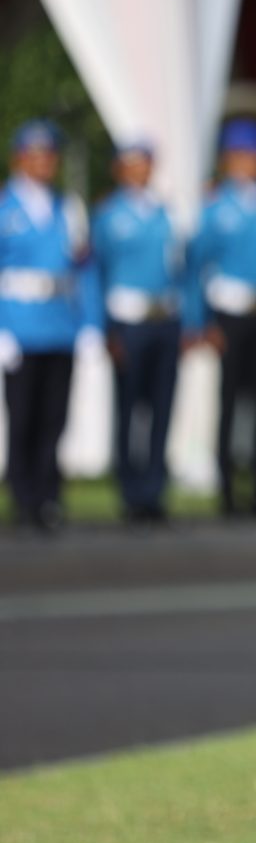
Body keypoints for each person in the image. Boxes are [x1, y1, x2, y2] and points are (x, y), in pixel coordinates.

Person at [185, 118, 256, 517]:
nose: (251, 163)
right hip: (230, 313)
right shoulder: (215, 207)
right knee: (230, 401)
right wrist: (201, 321)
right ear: (229, 160)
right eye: (243, 156)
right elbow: (197, 266)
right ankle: (228, 490)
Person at [0, 119, 102, 533]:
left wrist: (90, 324)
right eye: (36, 155)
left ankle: (48, 497)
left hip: (60, 323)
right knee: (22, 416)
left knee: (54, 418)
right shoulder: (6, 208)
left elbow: (85, 269)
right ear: (20, 159)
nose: (44, 164)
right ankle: (23, 497)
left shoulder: (69, 209)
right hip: (20, 325)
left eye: (49, 156)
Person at [92, 140, 183, 524]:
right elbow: (97, 274)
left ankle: (154, 488)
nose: (140, 171)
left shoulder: (166, 212)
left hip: (164, 317)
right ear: (119, 170)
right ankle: (131, 490)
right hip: (127, 318)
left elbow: (184, 269)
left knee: (161, 408)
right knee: (129, 408)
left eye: (144, 164)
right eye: (132, 165)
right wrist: (104, 328)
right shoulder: (109, 214)